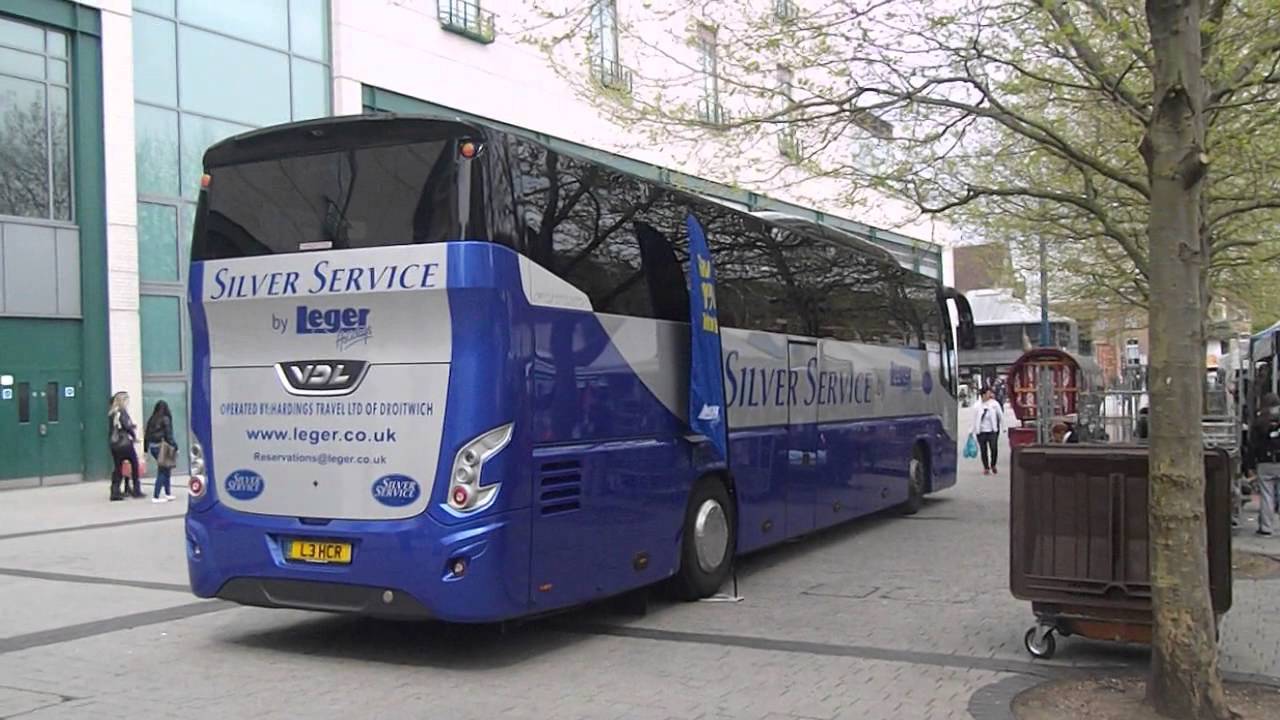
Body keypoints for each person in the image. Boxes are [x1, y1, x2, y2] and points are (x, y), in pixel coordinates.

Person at [1250, 392, 1280, 537]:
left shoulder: (1260, 421)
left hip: (1265, 462)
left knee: (1267, 495)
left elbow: (1253, 445)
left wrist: (1249, 464)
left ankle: (1266, 527)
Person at [108, 391, 141, 501]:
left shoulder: (112, 413)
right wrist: (133, 435)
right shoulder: (122, 412)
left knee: (118, 468)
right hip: (125, 444)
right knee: (134, 464)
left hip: (114, 444)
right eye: (127, 400)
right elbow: (126, 426)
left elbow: (114, 428)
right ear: (123, 401)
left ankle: (115, 491)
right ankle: (136, 490)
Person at [144, 400, 177, 503]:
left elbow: (146, 435)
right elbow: (169, 435)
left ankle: (168, 493)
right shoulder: (165, 419)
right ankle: (156, 496)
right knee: (163, 470)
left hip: (152, 446)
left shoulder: (152, 419)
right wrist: (175, 446)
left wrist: (145, 449)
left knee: (166, 469)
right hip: (162, 446)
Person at [973, 387, 1004, 475]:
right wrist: (972, 430)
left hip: (992, 430)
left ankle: (993, 464)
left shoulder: (994, 404)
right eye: (987, 393)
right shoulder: (977, 406)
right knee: (983, 450)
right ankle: (986, 467)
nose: (989, 395)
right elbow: (974, 419)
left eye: (990, 393)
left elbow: (1000, 415)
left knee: (994, 448)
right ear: (983, 395)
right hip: (981, 431)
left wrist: (1003, 427)